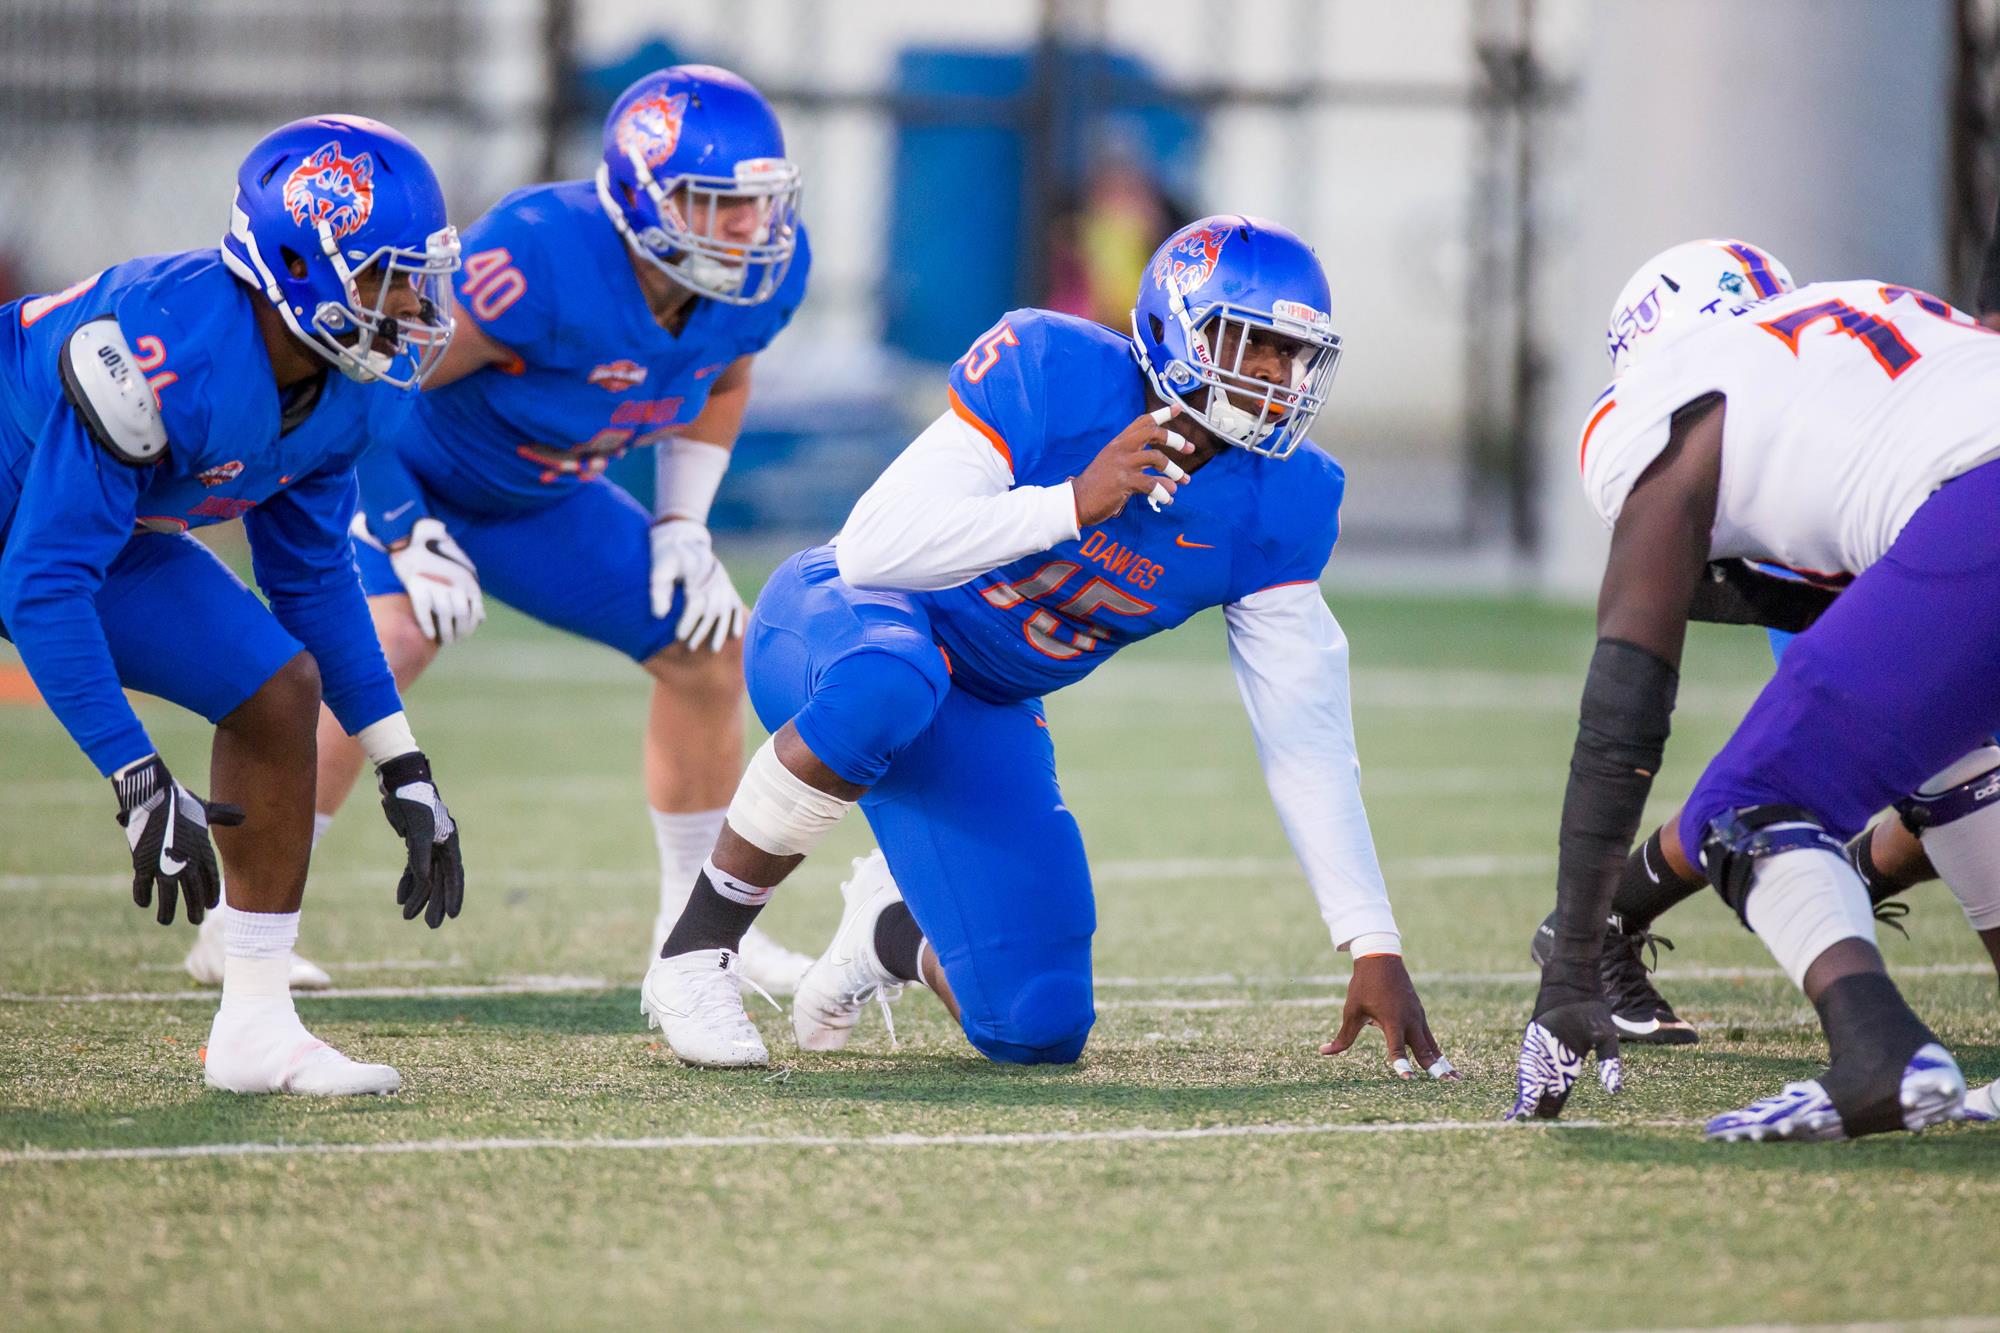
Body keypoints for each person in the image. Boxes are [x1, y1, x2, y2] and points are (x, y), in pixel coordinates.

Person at [641, 214, 1455, 1080]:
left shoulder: (1281, 501)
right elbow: (875, 548)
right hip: (838, 621)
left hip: (978, 706)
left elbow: (1306, 731)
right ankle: (694, 955)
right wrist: (1071, 500)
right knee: (891, 678)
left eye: (1292, 356)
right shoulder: (1056, 371)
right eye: (1251, 343)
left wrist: (1373, 938)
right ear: (1180, 329)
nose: (1274, 376)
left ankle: (888, 930)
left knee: (1036, 1023)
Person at [195, 66, 815, 994]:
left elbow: (723, 377)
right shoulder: (536, 257)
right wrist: (402, 526)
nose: (747, 229)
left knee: (705, 649)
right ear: (646, 197)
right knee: (382, 643)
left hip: (544, 497)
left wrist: (685, 519)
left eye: (756, 204)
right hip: (404, 468)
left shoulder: (763, 273)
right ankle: (241, 927)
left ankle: (695, 936)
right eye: (715, 202)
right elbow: (366, 375)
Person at [0, 115, 467, 1094]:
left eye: (419, 274)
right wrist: (134, 776)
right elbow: (42, 585)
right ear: (298, 263)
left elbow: (310, 578)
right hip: (33, 517)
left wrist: (402, 763)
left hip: (89, 528)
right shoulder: (156, 347)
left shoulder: (351, 388)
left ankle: (255, 1025)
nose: (414, 302)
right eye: (388, 274)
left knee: (276, 687)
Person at [1509, 237, 2000, 1140]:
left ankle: (1877, 1052)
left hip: (1982, 503)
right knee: (1960, 755)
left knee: (1747, 803)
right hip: (1968, 502)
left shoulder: (1662, 400)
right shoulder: (1866, 325)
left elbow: (1627, 698)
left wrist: (1572, 958)